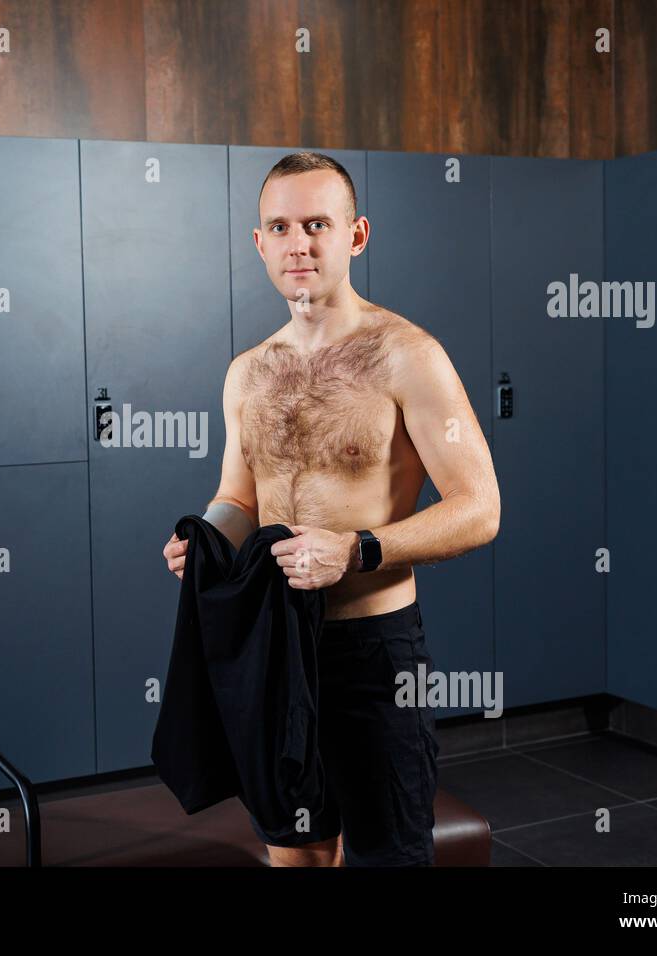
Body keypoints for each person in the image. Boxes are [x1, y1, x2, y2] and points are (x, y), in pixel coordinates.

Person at [162, 152, 500, 866]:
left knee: (388, 856)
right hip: (280, 648)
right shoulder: (247, 372)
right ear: (260, 244)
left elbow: (480, 508)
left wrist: (355, 550)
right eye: (279, 227)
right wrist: (207, 537)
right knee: (298, 854)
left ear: (357, 235)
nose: (299, 244)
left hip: (373, 652)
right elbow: (238, 496)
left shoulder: (408, 355)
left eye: (318, 223)